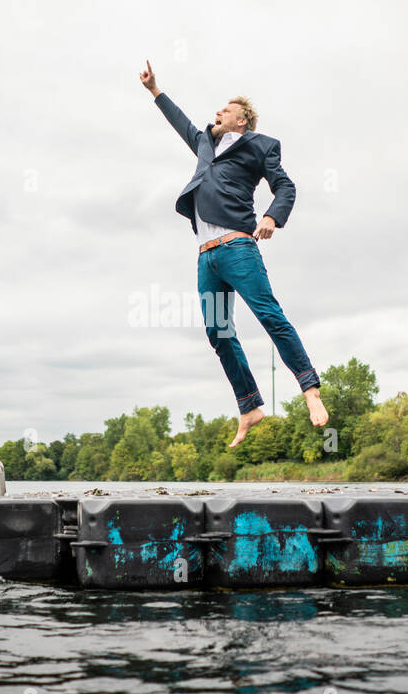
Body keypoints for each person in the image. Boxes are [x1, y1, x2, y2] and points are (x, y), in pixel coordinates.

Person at [139, 59, 329, 448]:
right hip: (206, 256)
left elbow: (285, 186)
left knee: (268, 315)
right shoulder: (205, 142)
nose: (217, 113)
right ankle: (249, 407)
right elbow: (181, 122)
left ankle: (309, 388)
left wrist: (273, 218)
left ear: (241, 121)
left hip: (238, 247)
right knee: (219, 332)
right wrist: (156, 91)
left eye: (225, 110)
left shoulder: (261, 146)